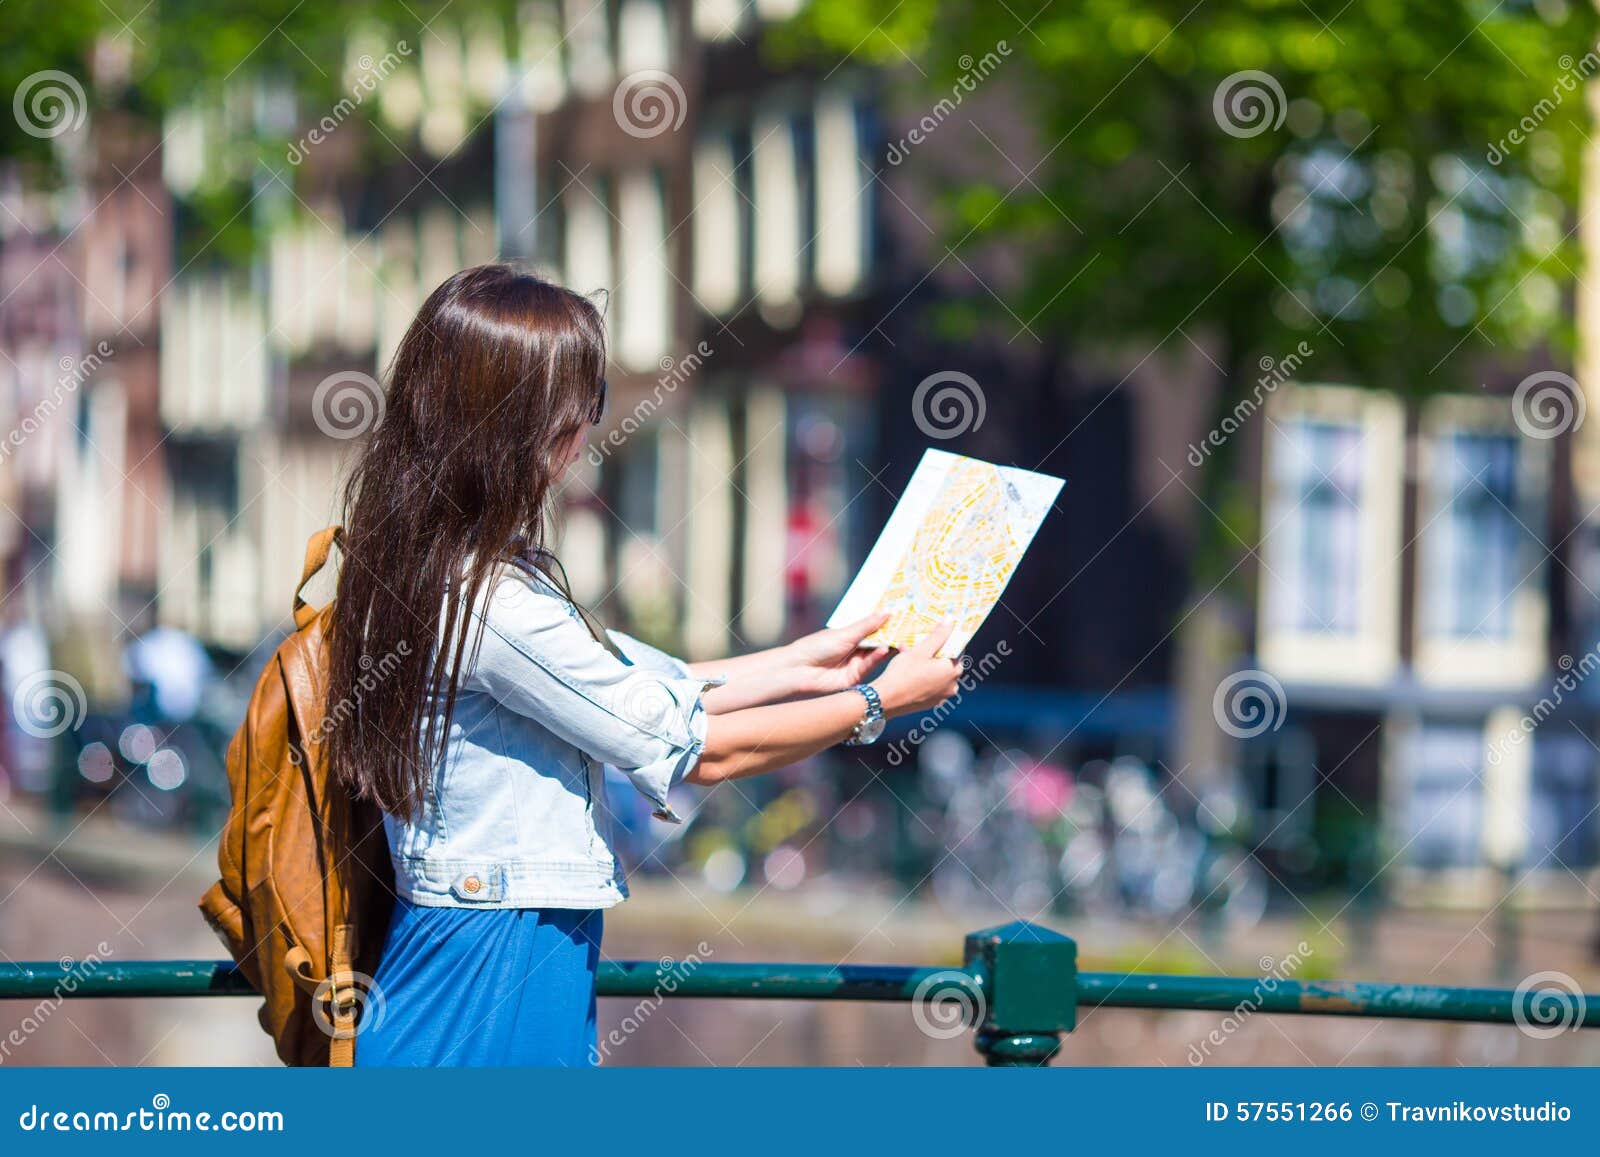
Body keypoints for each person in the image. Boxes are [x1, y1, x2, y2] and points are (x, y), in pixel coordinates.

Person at [327, 264, 962, 1066]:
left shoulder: (428, 565)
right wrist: (876, 706)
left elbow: (634, 686)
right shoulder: (491, 602)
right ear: (516, 422)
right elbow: (691, 747)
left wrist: (815, 664)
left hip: (486, 950)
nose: (590, 429)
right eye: (581, 408)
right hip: (488, 973)